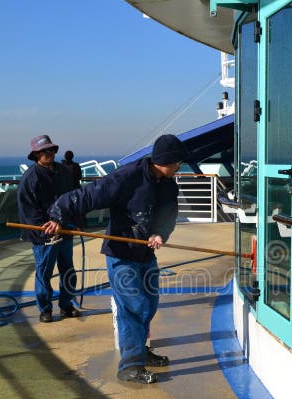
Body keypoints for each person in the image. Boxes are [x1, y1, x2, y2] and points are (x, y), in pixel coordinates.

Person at [43, 134, 188, 384]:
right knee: (133, 307)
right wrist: (58, 215)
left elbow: (168, 215)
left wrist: (159, 233)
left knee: (149, 304)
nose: (179, 167)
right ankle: (130, 367)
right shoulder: (127, 177)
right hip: (121, 255)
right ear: (165, 160)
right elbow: (89, 195)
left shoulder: (168, 184)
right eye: (177, 163)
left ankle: (140, 351)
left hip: (145, 254)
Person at [17, 134, 81, 323]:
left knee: (68, 270)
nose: (50, 153)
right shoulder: (30, 177)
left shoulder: (64, 172)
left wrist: (72, 219)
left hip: (65, 230)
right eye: (45, 151)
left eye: (52, 150)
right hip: (44, 235)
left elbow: (73, 197)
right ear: (36, 154)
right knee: (44, 272)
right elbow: (27, 208)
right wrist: (44, 228)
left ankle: (66, 305)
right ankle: (45, 309)